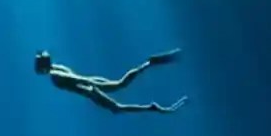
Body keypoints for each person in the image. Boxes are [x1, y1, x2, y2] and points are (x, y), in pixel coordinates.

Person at [34, 48, 188, 114]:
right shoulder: (57, 67)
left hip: (90, 88)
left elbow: (78, 80)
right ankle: (147, 65)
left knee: (118, 106)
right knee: (120, 84)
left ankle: (152, 107)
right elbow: (77, 79)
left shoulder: (55, 75)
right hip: (91, 83)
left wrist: (94, 91)